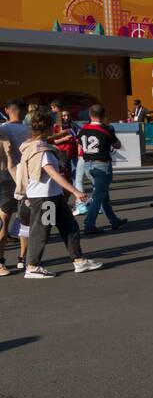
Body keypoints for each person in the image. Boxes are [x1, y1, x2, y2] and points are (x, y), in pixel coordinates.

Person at [13, 111, 101, 278]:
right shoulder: (42, 151)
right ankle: (32, 266)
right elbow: (53, 174)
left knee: (70, 227)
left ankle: (79, 261)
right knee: (41, 231)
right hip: (45, 197)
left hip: (52, 196)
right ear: (47, 128)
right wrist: (75, 191)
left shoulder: (34, 145)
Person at [78, 104, 127, 236]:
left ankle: (113, 220)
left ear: (90, 114)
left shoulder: (83, 130)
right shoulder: (106, 129)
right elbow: (117, 145)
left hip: (87, 164)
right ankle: (89, 224)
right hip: (102, 165)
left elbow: (80, 146)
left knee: (103, 194)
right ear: (104, 115)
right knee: (98, 196)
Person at [0, 100, 31, 275]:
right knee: (25, 220)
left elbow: (9, 159)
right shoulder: (29, 130)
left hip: (6, 179)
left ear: (6, 110)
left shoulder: (3, 130)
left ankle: (1, 261)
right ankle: (23, 258)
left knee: (3, 220)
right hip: (24, 179)